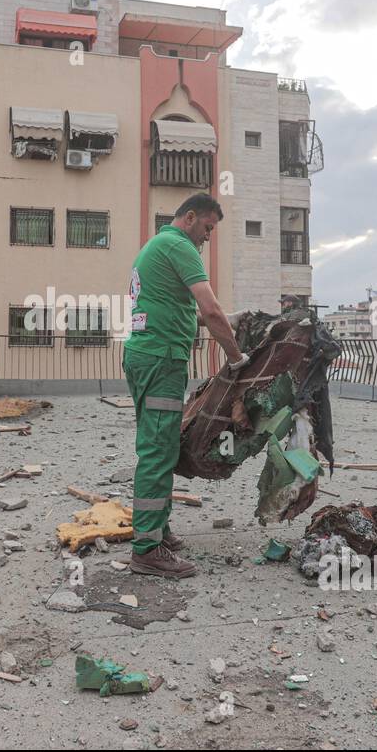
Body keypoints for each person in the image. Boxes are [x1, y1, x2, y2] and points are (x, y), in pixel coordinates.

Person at [122, 193, 247, 578]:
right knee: (159, 449)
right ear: (190, 218)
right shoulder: (179, 246)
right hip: (161, 360)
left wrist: (232, 318)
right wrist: (236, 357)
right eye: (208, 227)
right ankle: (146, 549)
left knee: (162, 443)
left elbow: (181, 313)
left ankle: (157, 530)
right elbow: (208, 310)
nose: (208, 237)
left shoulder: (157, 247)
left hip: (149, 355)